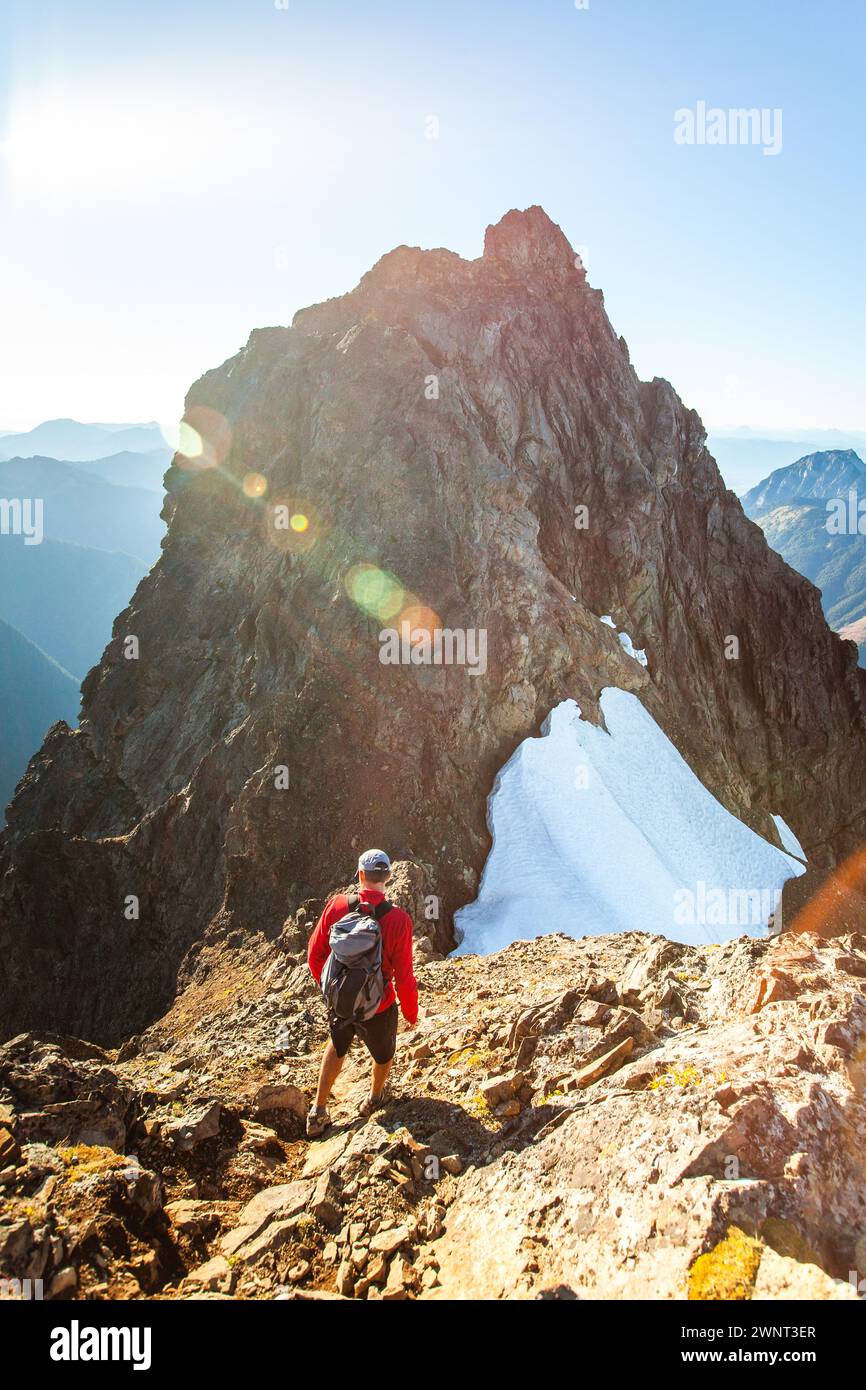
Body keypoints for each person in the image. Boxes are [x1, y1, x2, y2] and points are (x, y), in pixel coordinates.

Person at [306, 849, 418, 1137]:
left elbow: (314, 955)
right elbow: (404, 976)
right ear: (389, 877)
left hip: (340, 1001)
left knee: (337, 1045)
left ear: (360, 875)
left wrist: (332, 990)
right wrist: (410, 1012)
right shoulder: (399, 921)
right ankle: (375, 1098)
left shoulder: (337, 906)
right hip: (378, 1006)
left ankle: (318, 1110)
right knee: (383, 1055)